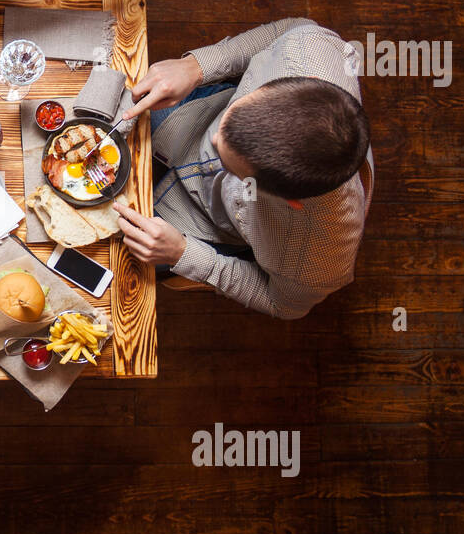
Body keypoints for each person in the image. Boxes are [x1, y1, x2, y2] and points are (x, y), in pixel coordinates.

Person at [112, 18, 373, 320]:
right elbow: (289, 30)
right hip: (189, 118)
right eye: (230, 121)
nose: (213, 141)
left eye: (230, 166)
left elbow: (282, 305)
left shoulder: (314, 259)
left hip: (194, 224)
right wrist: (198, 68)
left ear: (291, 203)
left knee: (109, 260)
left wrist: (185, 255)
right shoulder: (310, 49)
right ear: (296, 79)